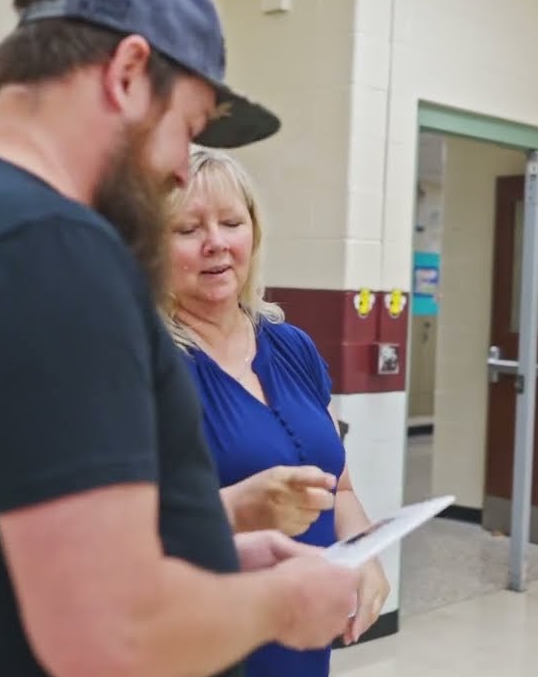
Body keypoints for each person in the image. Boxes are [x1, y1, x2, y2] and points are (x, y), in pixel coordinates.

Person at [0, 0, 360, 676]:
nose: (181, 169)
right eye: (188, 126)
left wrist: (217, 546)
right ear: (128, 72)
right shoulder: (46, 248)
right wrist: (285, 606)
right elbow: (107, 637)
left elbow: (5, 553)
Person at [162, 146, 392, 677]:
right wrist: (235, 507)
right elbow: (118, 538)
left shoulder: (292, 347)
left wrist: (364, 553)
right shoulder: (144, 364)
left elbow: (342, 488)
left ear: (254, 234)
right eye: (188, 228)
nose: (216, 242)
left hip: (303, 636)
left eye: (231, 222)